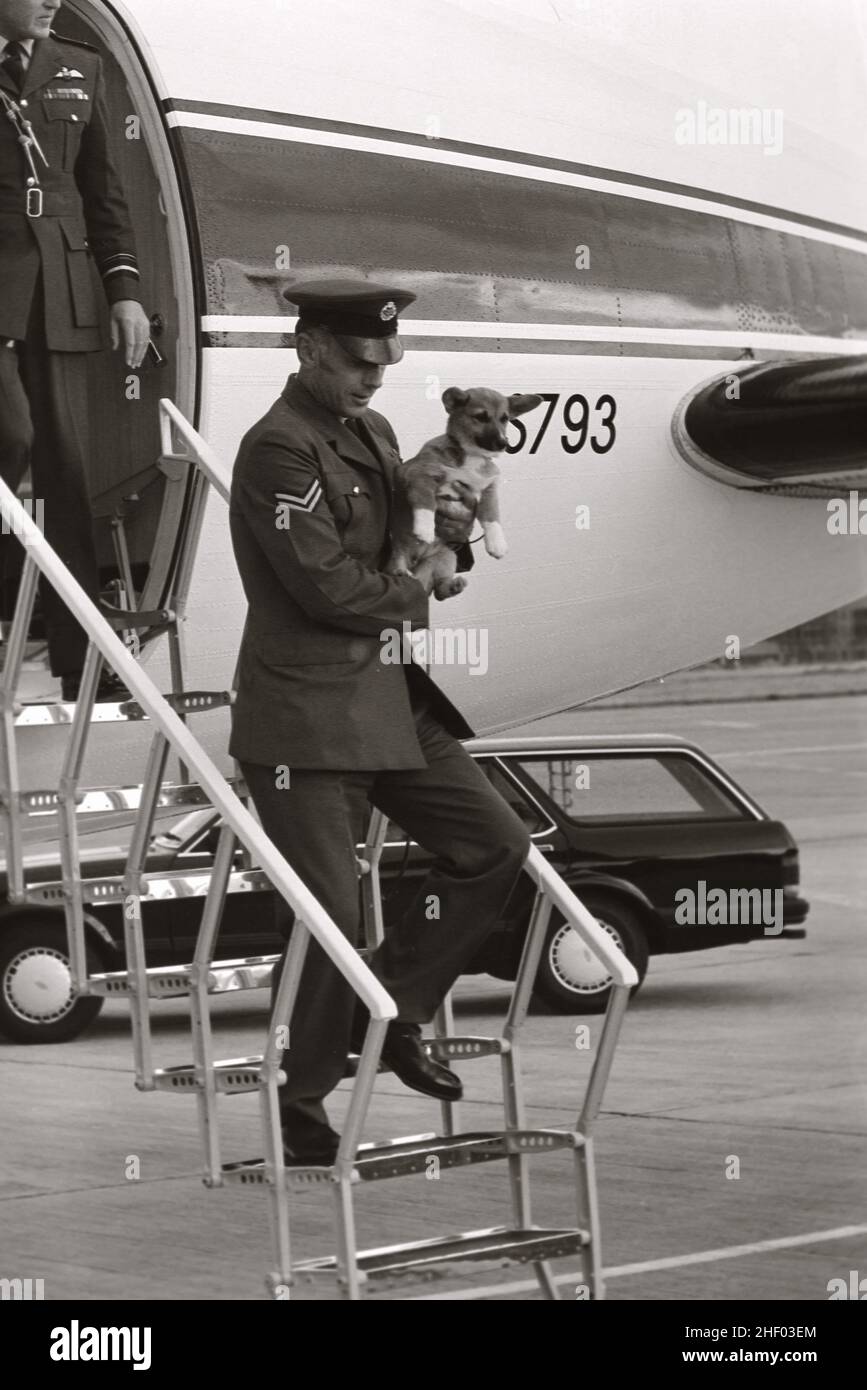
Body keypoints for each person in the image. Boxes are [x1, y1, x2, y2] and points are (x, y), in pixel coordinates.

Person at [229, 279, 531, 1165]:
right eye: (359, 362)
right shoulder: (277, 451)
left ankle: (390, 1007)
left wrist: (460, 538)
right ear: (308, 345)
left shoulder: (378, 433)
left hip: (393, 697)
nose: (374, 379)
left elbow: (412, 535)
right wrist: (422, 585)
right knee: (331, 910)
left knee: (497, 846)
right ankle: (303, 1100)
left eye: (384, 363)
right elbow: (322, 584)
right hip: (308, 720)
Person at [0, 0, 150, 701]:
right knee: (12, 436)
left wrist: (122, 287)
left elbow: (102, 189)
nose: (53, 0)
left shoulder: (78, 66)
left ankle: (78, 656)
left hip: (58, 288)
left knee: (67, 464)